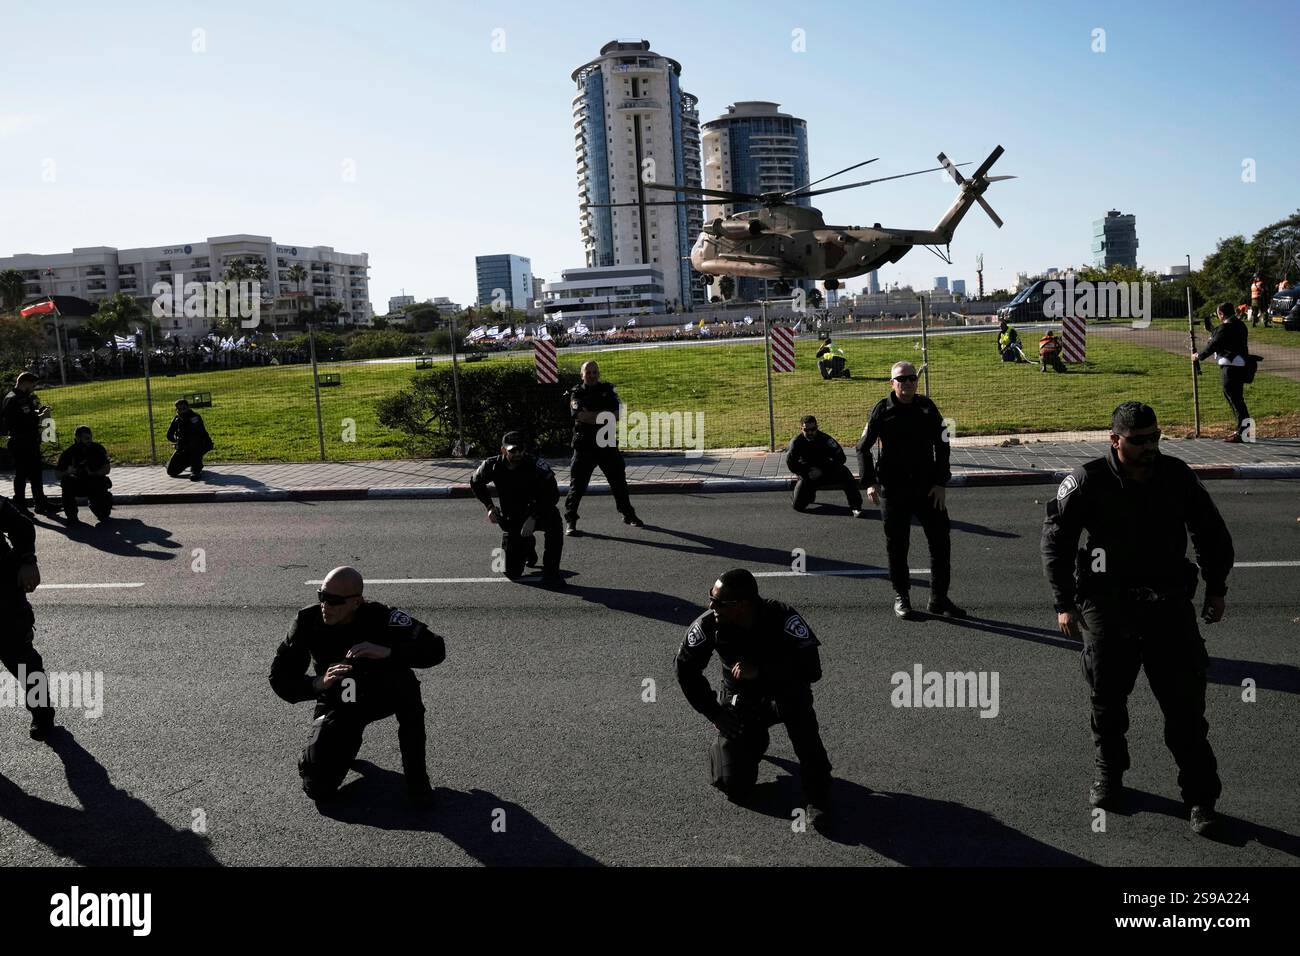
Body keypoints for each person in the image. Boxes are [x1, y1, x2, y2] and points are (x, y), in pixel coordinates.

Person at [1041, 401, 1232, 836]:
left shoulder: (1177, 475)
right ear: (1115, 440)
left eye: (1155, 438)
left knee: (1185, 709)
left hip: (1167, 605)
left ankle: (1201, 798)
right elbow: (1057, 541)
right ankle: (1109, 774)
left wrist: (1216, 587)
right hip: (1109, 605)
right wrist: (1063, 603)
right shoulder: (1087, 480)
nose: (1150, 447)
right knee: (1107, 701)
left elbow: (1210, 531)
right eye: (1139, 440)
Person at [269, 566, 447, 808]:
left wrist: (389, 652)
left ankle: (417, 778)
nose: (325, 606)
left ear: (356, 602)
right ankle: (345, 743)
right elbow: (280, 677)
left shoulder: (382, 617)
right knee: (318, 787)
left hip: (381, 693)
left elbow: (436, 648)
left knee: (407, 688)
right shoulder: (307, 621)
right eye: (322, 596)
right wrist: (317, 683)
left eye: (334, 600)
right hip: (340, 698)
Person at [674, 569, 833, 820]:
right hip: (741, 701)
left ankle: (817, 790)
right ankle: (748, 741)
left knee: (798, 706)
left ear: (743, 605)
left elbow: (812, 669)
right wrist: (714, 713)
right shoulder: (709, 624)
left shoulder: (782, 616)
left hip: (781, 693)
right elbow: (685, 669)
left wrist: (761, 672)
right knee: (733, 786)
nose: (711, 606)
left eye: (719, 602)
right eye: (711, 598)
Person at [857, 360, 966, 620]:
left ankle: (939, 598)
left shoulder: (927, 407)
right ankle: (902, 597)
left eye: (911, 378)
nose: (907, 383)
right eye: (901, 379)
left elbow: (943, 446)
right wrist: (870, 482)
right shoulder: (882, 411)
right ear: (891, 383)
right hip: (894, 490)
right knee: (897, 546)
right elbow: (863, 448)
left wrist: (941, 482)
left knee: (940, 543)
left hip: (928, 488)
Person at [470, 431, 566, 586]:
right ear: (503, 450)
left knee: (554, 521)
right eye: (512, 450)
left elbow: (553, 494)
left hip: (537, 511)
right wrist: (489, 506)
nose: (517, 454)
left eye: (520, 450)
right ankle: (527, 545)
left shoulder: (536, 465)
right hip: (513, 516)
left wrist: (534, 517)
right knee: (511, 572)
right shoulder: (492, 465)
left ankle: (552, 570)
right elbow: (475, 482)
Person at [0, 493, 56, 740]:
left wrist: (27, 561)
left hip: (1, 596)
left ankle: (42, 713)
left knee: (23, 661)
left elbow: (20, 525)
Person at [563, 361, 642, 535]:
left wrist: (592, 416)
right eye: (588, 372)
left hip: (606, 444)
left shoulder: (608, 390)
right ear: (582, 375)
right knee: (577, 486)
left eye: (594, 372)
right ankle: (571, 520)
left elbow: (618, 414)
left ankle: (628, 514)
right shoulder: (577, 393)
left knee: (619, 483)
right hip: (584, 446)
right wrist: (604, 415)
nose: (591, 375)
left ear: (598, 373)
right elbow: (579, 415)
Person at [1193, 302, 1252, 443]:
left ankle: (1243, 432)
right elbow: (1225, 340)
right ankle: (1244, 430)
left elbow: (1214, 345)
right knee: (1237, 399)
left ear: (1221, 314)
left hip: (1230, 367)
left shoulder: (1225, 327)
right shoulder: (1240, 325)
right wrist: (1214, 334)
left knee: (1234, 399)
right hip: (1241, 365)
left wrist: (1198, 356)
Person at [1, 373, 58, 516]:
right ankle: (20, 506)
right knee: (21, 475)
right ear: (25, 383)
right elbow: (22, 422)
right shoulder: (16, 399)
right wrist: (41, 418)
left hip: (29, 441)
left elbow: (27, 415)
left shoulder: (17, 397)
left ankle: (41, 503)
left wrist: (38, 412)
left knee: (36, 474)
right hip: (21, 442)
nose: (33, 389)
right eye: (32, 385)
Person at [785, 416, 865, 516]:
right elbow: (791, 463)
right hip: (808, 475)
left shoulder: (825, 439)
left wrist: (822, 470)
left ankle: (856, 507)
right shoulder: (796, 442)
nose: (810, 432)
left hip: (826, 471)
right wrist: (805, 473)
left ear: (817, 427)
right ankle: (808, 493)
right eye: (806, 430)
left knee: (845, 472)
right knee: (798, 507)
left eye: (813, 429)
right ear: (801, 429)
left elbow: (841, 458)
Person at [55, 426, 113, 524]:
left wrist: (93, 473)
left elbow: (107, 469)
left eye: (89, 438)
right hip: (78, 484)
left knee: (103, 515)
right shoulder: (69, 453)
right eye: (85, 438)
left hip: (94, 483)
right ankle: (71, 516)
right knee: (66, 482)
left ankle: (99, 505)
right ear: (77, 439)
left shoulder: (97, 449)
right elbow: (57, 474)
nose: (88, 441)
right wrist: (69, 472)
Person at [165, 398, 214, 480]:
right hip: (182, 447)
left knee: (193, 444)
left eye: (183, 408)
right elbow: (169, 435)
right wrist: (176, 441)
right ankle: (188, 462)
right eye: (179, 409)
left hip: (196, 446)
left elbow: (199, 433)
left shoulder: (195, 417)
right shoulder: (176, 419)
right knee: (171, 472)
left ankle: (196, 469)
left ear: (188, 408)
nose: (181, 411)